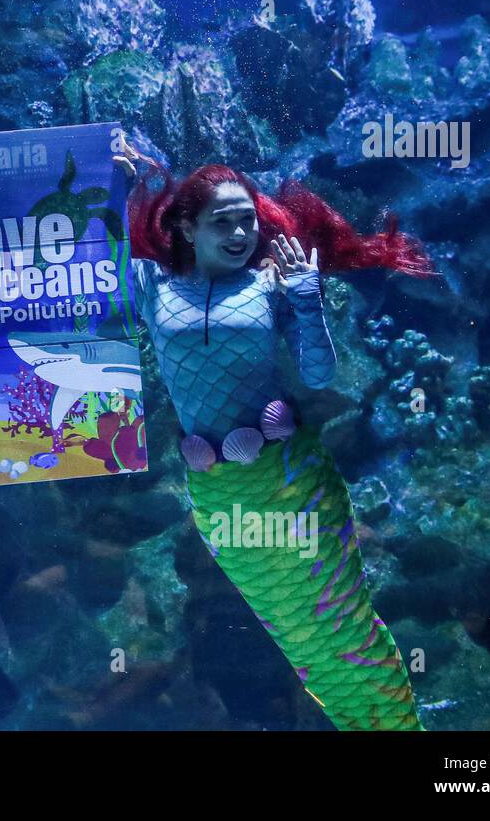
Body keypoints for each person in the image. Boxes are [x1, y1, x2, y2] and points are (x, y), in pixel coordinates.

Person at [113, 137, 432, 730]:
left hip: (289, 481)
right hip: (218, 497)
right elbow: (82, 265)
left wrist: (307, 302)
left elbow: (316, 373)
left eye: (248, 222)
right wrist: (110, 185)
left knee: (340, 620)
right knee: (295, 630)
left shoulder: (269, 287)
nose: (241, 235)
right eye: (223, 222)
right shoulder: (151, 286)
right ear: (184, 225)